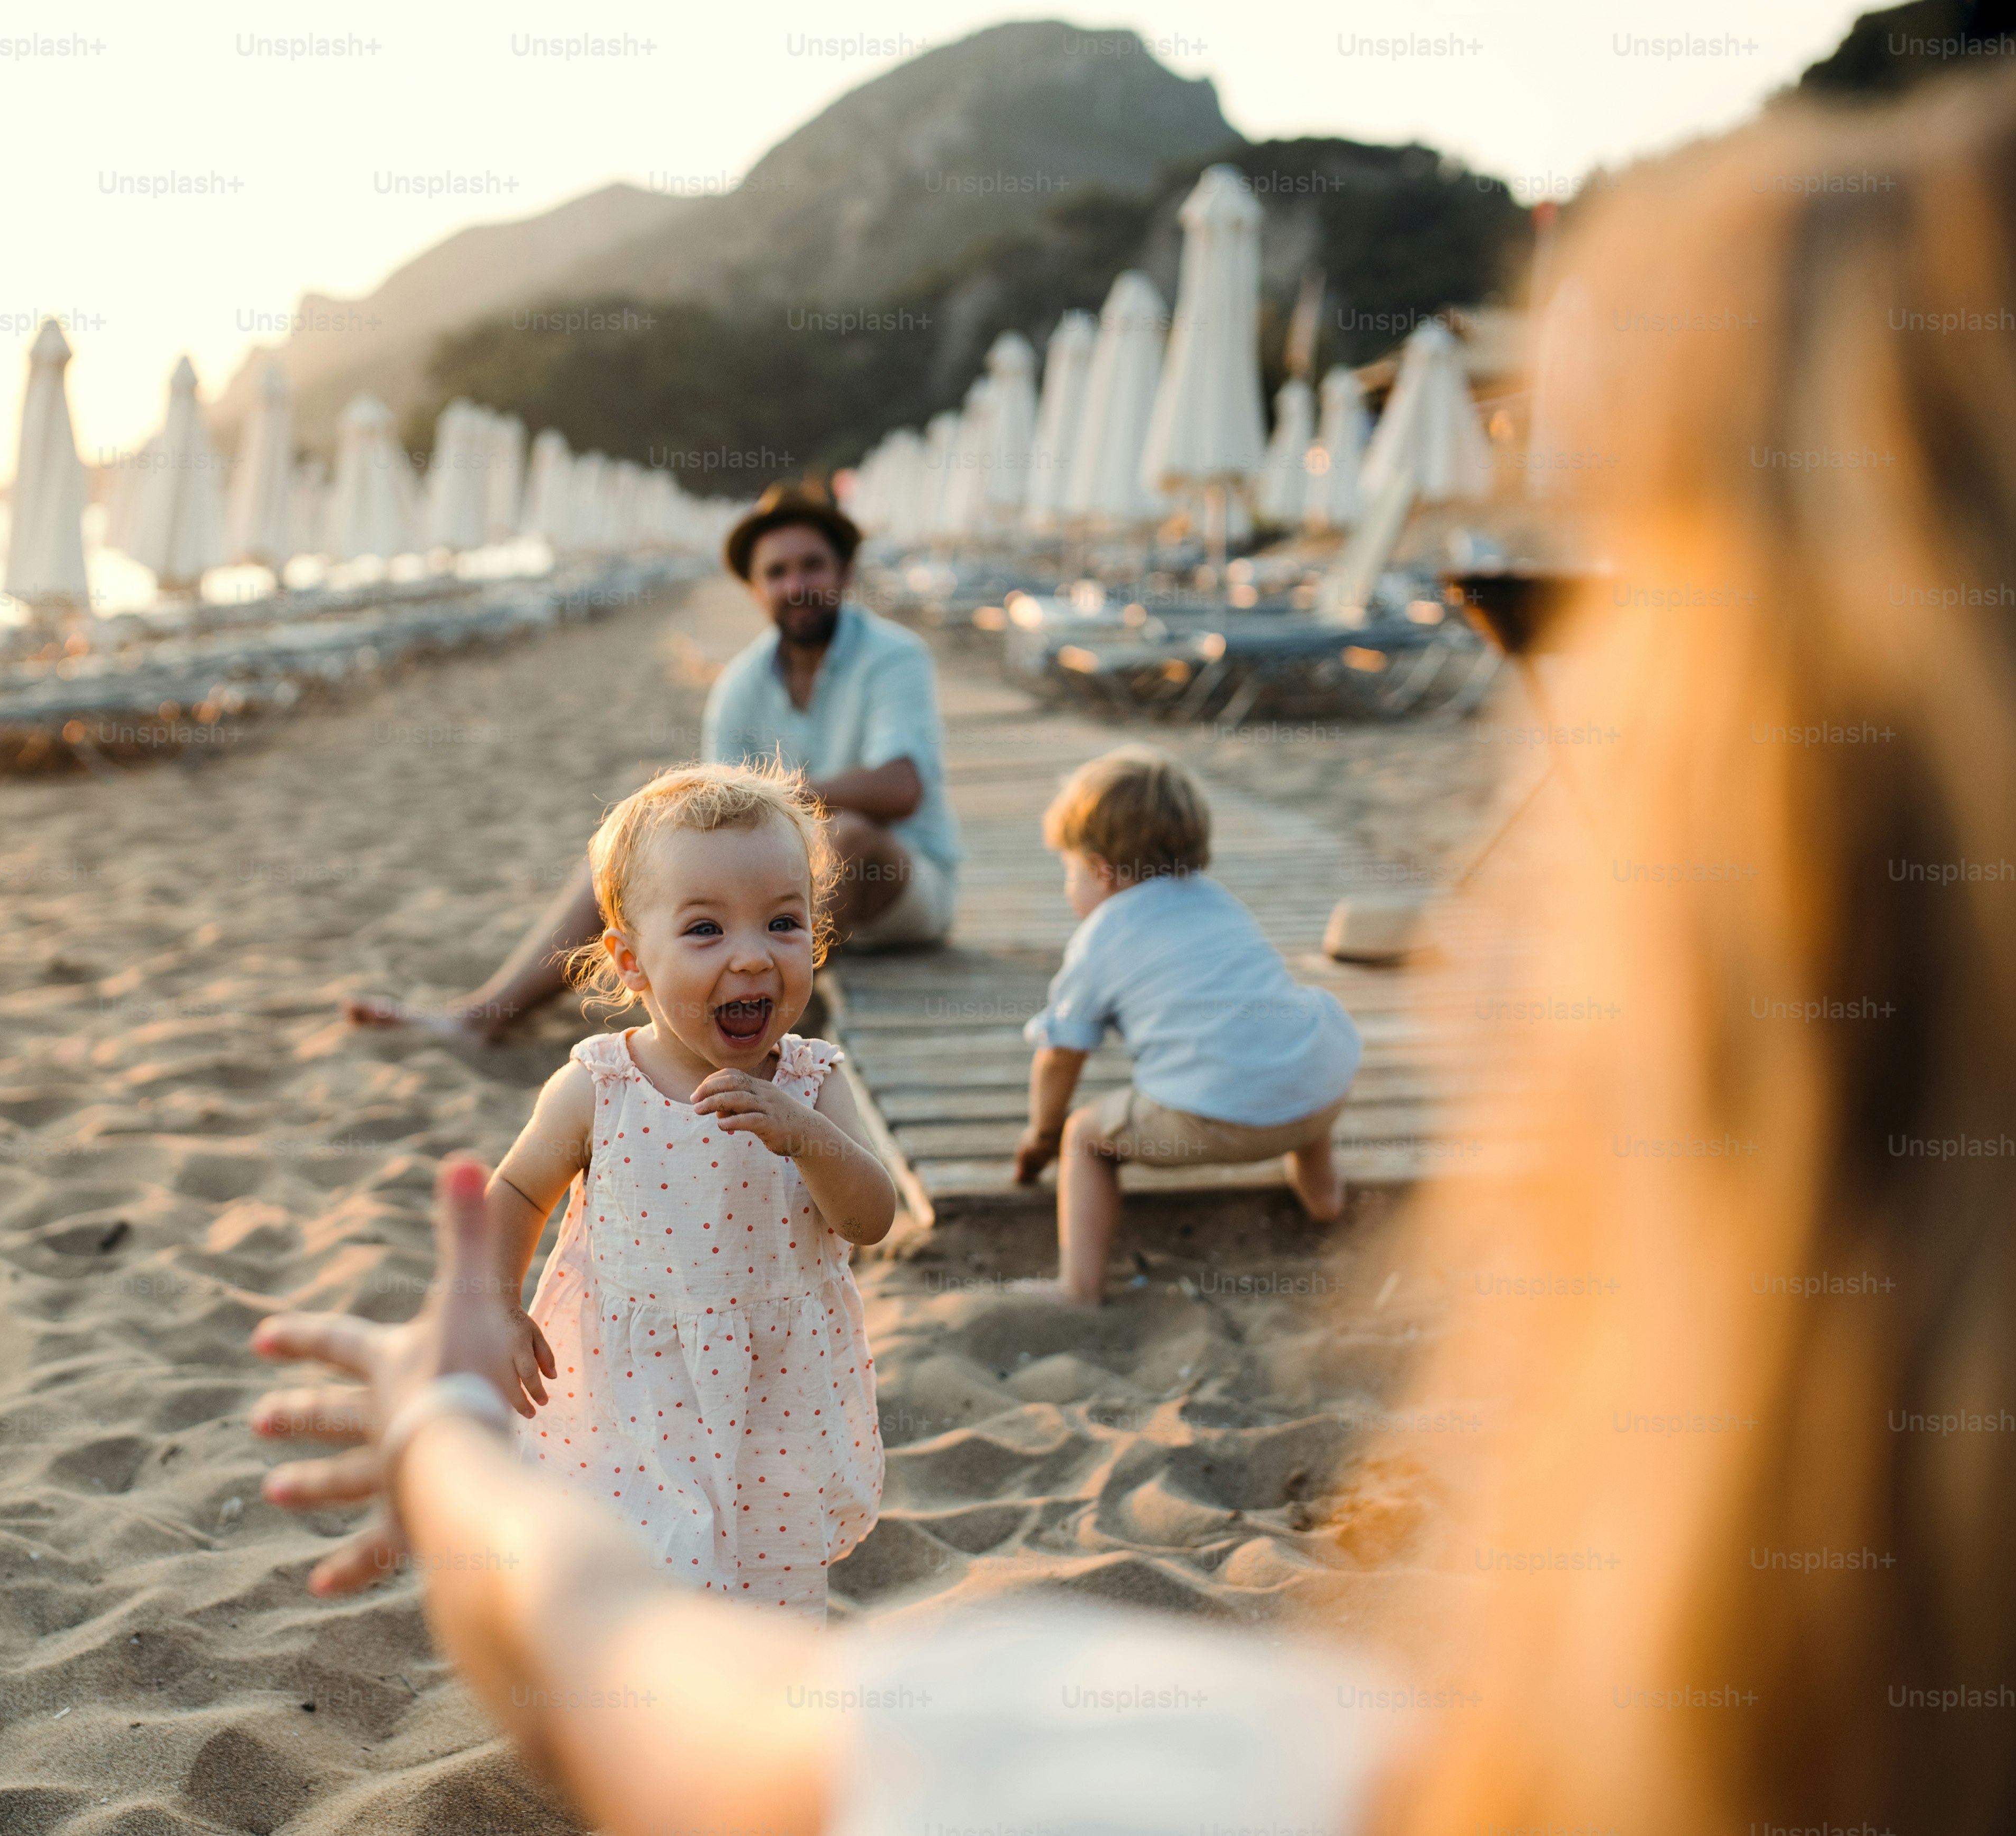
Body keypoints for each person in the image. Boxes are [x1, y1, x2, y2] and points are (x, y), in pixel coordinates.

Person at [255, 71, 2016, 1836]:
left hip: (886, 923)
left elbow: (618, 1665)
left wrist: (445, 1434)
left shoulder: (1287, 1778)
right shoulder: (637, 987)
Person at [370, 760, 891, 1617]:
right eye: (703, 931)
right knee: (639, 1569)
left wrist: (809, 1141)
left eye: (782, 923)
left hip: (776, 1382)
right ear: (629, 961)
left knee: (772, 1571)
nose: (751, 956)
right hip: (635, 1384)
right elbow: (515, 1193)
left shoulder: (813, 1082)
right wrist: (500, 1307)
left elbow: (868, 1220)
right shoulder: (598, 1087)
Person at [345, 484, 963, 1042]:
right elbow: (725, 823)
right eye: (776, 571)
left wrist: (774, 802)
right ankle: (484, 1015)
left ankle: (759, 1042)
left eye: (811, 565)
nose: (795, 583)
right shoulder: (742, 683)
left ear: (845, 572)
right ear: (754, 588)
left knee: (844, 836)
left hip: (902, 892)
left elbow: (900, 787)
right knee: (634, 843)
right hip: (779, 901)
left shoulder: (893, 655)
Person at [1010, 745, 1361, 1303]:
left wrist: (1043, 1133)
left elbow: (1060, 1052)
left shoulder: (1101, 937)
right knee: (1287, 1039)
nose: (1068, 886)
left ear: (1102, 871)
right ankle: (1326, 1198)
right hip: (1322, 1094)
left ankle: (1077, 1284)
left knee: (1085, 1138)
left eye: (1070, 870)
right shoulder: (1219, 900)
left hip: (1218, 1120)